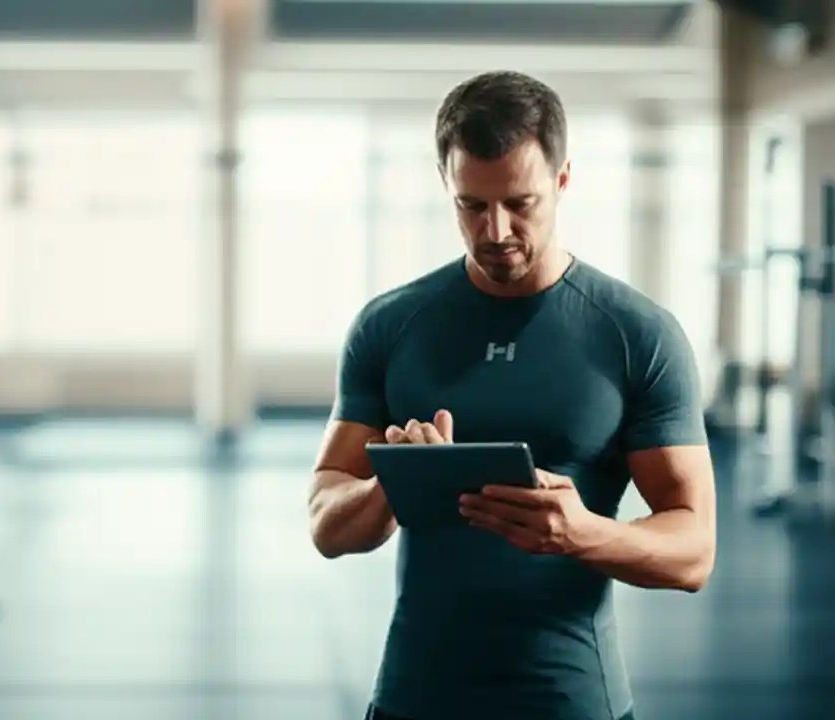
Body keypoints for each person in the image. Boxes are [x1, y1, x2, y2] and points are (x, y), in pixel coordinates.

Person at [307, 71, 717, 719]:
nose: (495, 230)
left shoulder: (637, 334)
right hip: (415, 698)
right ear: (445, 184)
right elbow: (327, 526)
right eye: (471, 205)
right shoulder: (390, 326)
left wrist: (583, 534)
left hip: (573, 701)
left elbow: (694, 552)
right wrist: (395, 483)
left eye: (521, 202)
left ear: (563, 180)